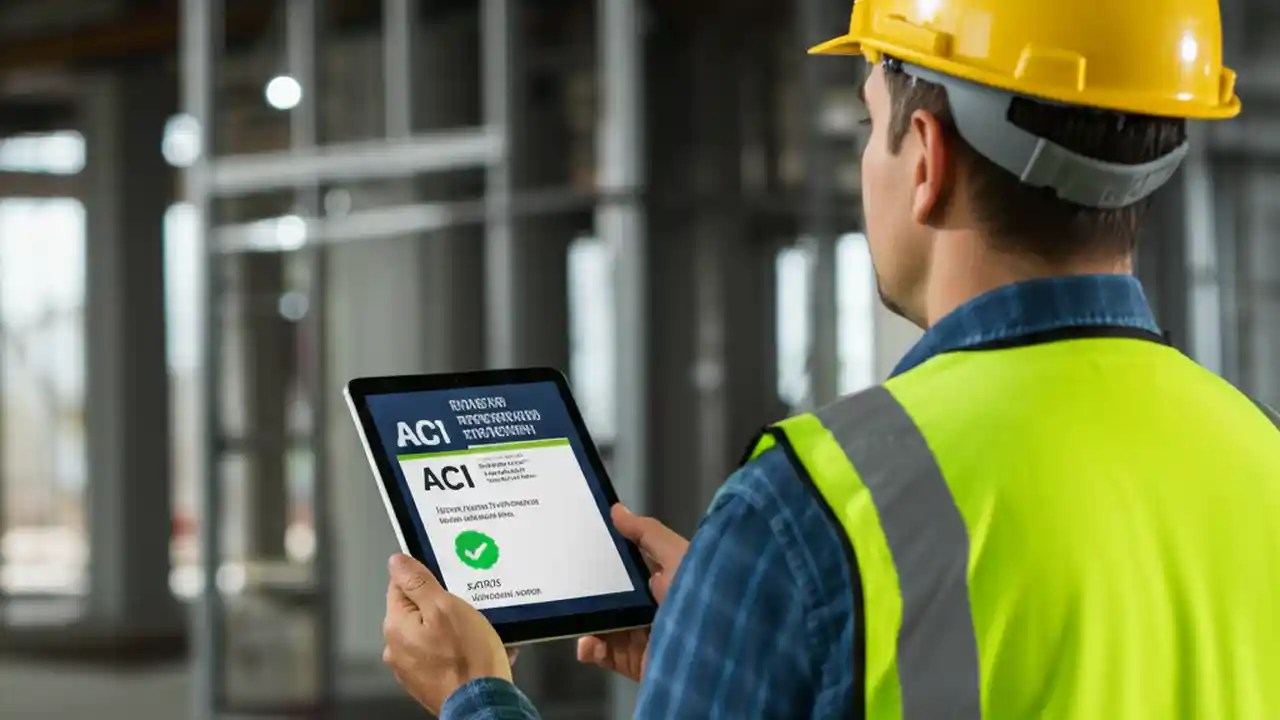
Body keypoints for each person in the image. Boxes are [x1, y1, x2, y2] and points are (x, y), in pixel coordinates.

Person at [382, 0, 1280, 717]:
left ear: (926, 159)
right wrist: (752, 649)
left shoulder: (816, 504)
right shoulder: (1256, 446)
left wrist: (475, 696)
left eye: (867, 120)